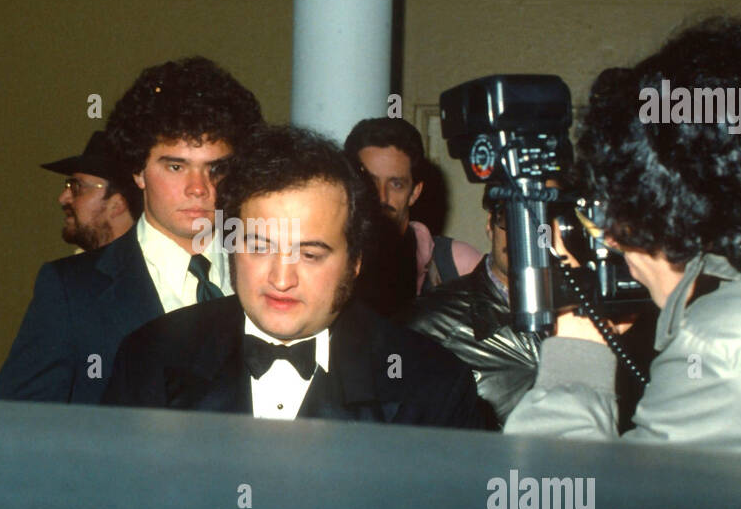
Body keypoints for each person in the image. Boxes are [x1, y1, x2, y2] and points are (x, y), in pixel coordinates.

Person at [506, 16, 741, 465]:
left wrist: (580, 343)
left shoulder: (728, 347)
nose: (610, 237)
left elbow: (568, 507)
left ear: (661, 199)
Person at [102, 124, 491, 430]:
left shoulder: (430, 384)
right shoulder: (150, 357)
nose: (281, 278)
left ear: (355, 262)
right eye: (259, 247)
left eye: (309, 254)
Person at [0, 56, 263, 403]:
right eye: (177, 167)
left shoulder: (267, 273)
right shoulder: (71, 292)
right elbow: (19, 428)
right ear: (138, 171)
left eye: (215, 169)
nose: (199, 187)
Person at [404, 186, 539, 425]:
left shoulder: (593, 318)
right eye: (511, 218)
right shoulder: (431, 327)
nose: (524, 233)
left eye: (541, 218)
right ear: (490, 224)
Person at [344, 117, 481, 315]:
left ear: (415, 193)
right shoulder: (327, 261)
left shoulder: (455, 264)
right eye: (369, 182)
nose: (381, 197)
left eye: (396, 184)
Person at [42, 130, 138, 252]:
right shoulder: (72, 269)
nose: (62, 198)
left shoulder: (155, 268)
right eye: (68, 186)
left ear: (117, 205)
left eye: (77, 187)